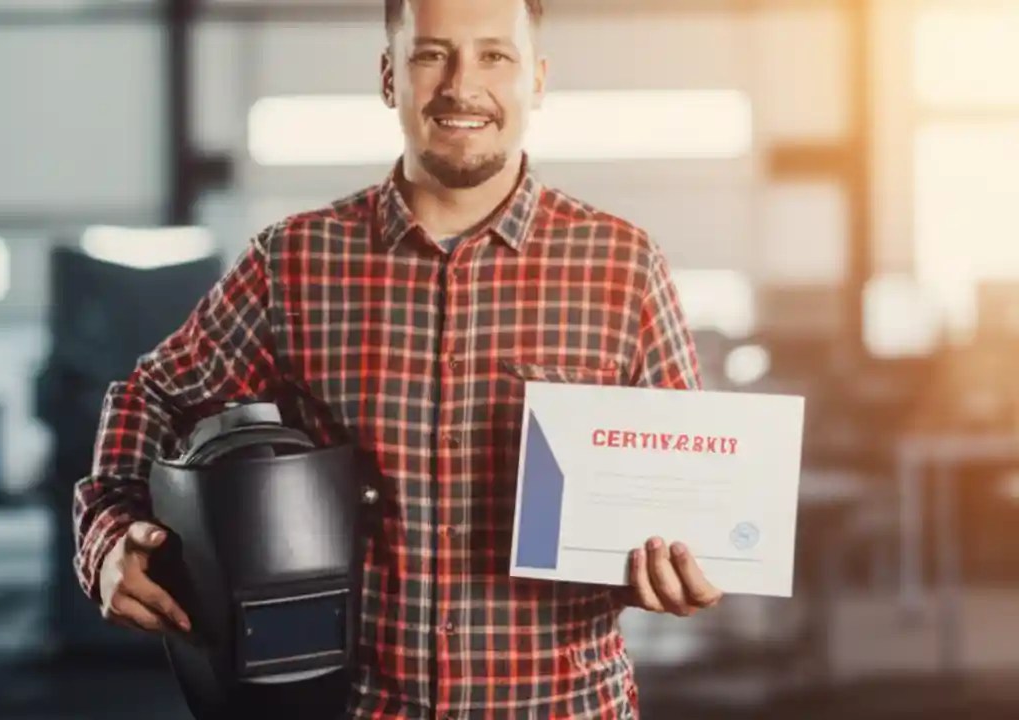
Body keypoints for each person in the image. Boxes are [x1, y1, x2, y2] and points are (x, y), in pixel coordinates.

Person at [73, 0, 724, 716]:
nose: (460, 84)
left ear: (537, 81)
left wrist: (679, 562)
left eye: (494, 56)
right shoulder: (295, 262)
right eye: (430, 54)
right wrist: (107, 537)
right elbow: (153, 395)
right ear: (389, 77)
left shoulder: (623, 267)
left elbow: (683, 494)